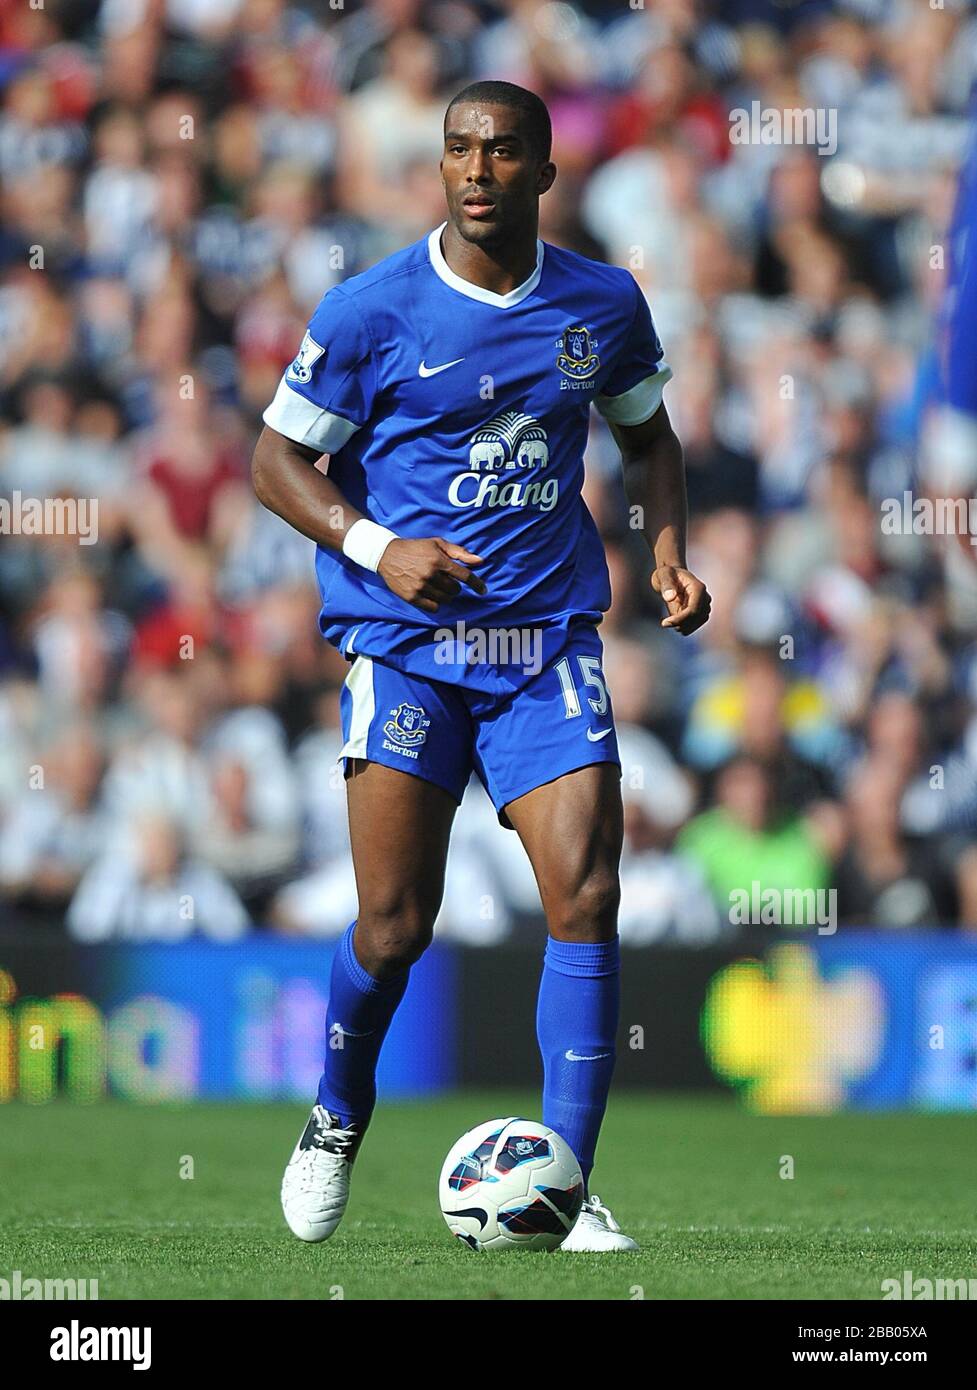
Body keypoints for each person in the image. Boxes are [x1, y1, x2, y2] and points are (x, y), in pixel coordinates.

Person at [251, 80, 711, 1252]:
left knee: (589, 893)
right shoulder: (372, 309)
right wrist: (376, 545)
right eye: (458, 148)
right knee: (396, 924)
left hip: (541, 641)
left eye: (503, 151)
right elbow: (275, 460)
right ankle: (335, 1115)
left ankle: (566, 1182)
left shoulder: (603, 304)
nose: (476, 168)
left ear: (544, 173)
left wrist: (664, 556)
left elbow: (649, 439)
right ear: (438, 164)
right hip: (406, 648)